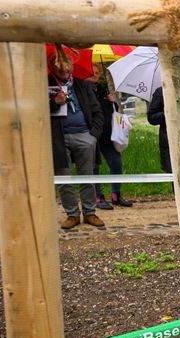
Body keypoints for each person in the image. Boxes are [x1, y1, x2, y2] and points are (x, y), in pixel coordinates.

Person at [49, 51, 106, 229]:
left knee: (87, 176)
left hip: (84, 135)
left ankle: (90, 212)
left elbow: (97, 112)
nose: (65, 68)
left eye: (68, 64)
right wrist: (54, 102)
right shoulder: (45, 84)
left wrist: (93, 136)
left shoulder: (82, 85)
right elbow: (35, 110)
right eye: (60, 64)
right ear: (53, 66)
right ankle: (72, 214)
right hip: (58, 138)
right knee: (63, 178)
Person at [91, 78, 132, 209]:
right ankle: (98, 196)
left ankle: (116, 194)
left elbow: (112, 112)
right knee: (94, 167)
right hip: (93, 134)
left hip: (109, 134)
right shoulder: (84, 90)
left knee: (116, 163)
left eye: (97, 73)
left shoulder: (103, 89)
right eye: (93, 73)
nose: (95, 76)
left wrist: (112, 102)